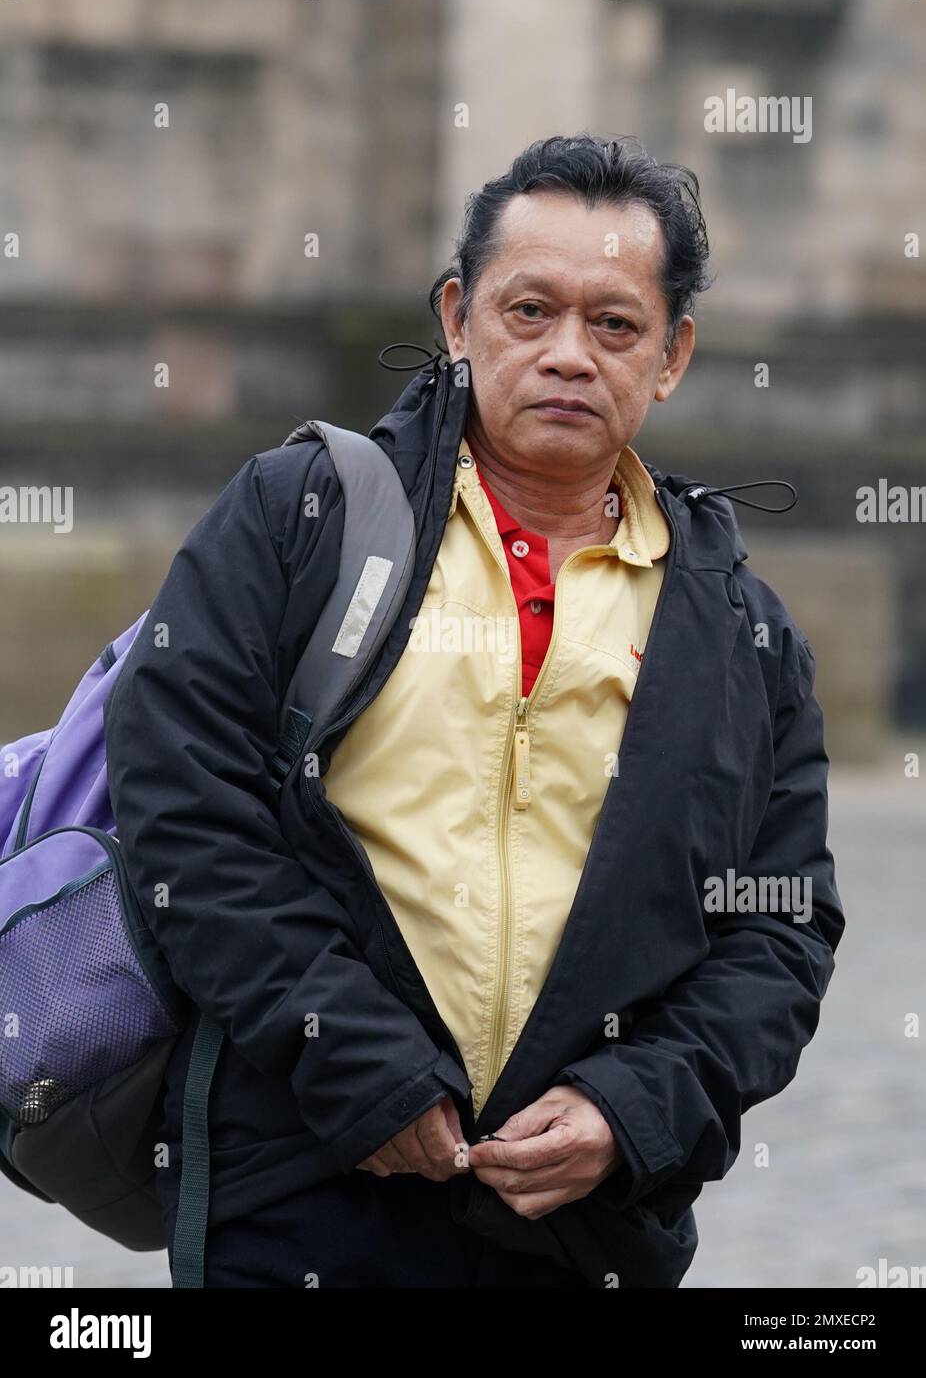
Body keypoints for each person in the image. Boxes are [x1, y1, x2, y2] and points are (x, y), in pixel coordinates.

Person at [104, 133, 844, 1288]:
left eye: (613, 326)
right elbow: (184, 809)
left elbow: (778, 924)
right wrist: (351, 1060)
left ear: (672, 355)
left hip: (587, 1225)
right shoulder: (304, 519)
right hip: (305, 1184)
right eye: (527, 310)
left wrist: (633, 1105)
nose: (566, 355)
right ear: (456, 318)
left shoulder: (739, 628)